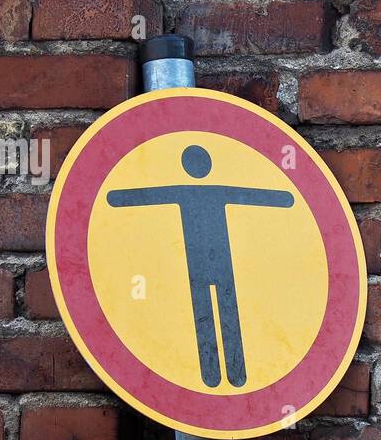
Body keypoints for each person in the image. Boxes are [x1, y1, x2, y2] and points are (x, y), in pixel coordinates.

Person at [107, 144, 294, 388]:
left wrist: (286, 199)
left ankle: (224, 376)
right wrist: (115, 198)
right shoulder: (205, 191)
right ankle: (218, 375)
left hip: (209, 268)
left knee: (214, 315)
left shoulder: (191, 191)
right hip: (207, 268)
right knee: (214, 315)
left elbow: (264, 197)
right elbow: (140, 196)